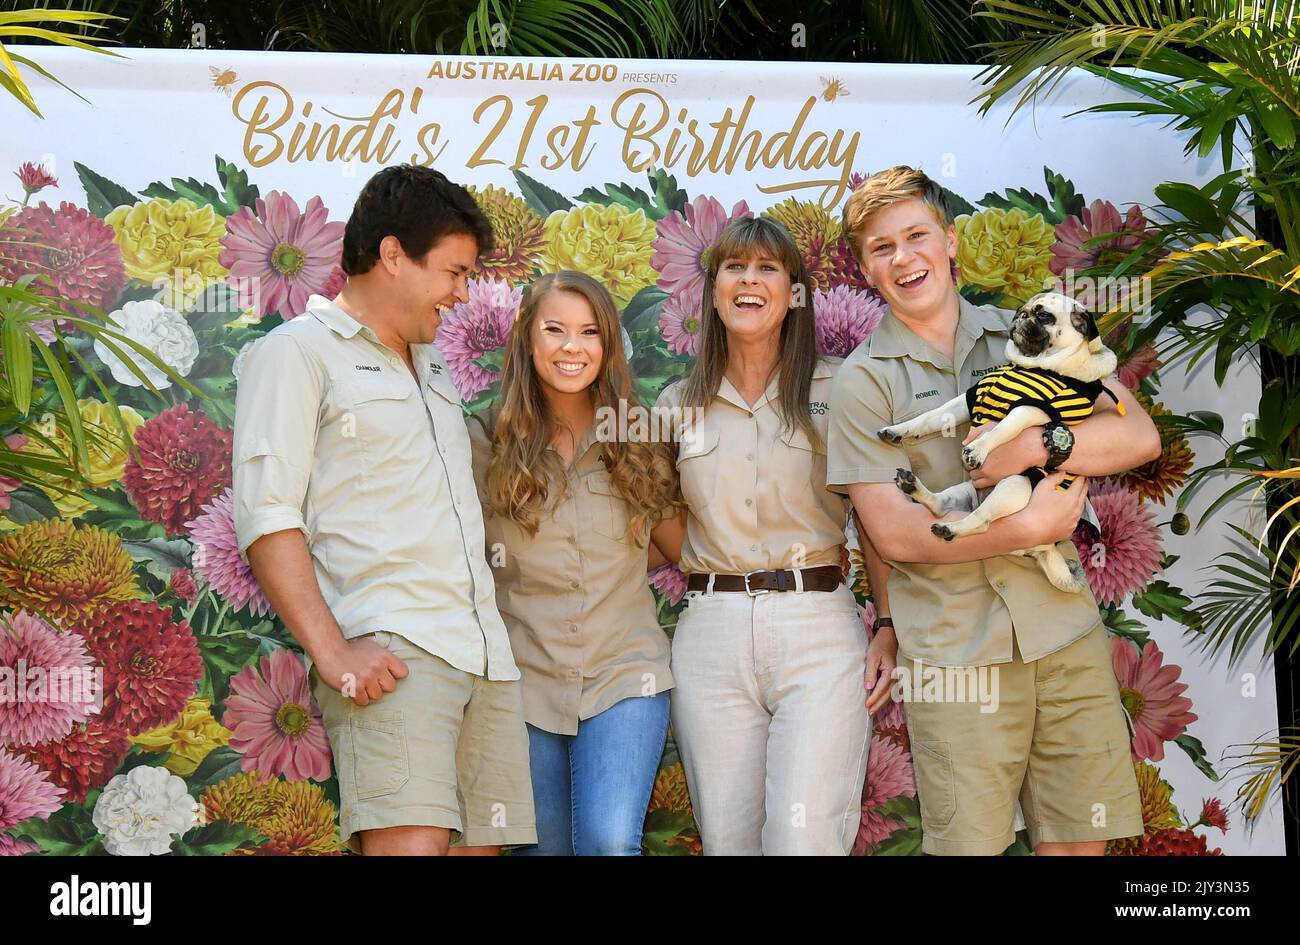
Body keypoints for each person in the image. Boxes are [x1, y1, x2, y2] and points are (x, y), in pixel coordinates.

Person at [827, 164, 1159, 855]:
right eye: (881, 247)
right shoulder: (860, 382)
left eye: (916, 235)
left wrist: (1043, 441)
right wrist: (1030, 525)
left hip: (1061, 632)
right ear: (864, 267)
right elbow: (895, 535)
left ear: (950, 241)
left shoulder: (1035, 330)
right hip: (956, 654)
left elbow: (1138, 434)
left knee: (1078, 843)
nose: (904, 257)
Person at [233, 164, 536, 856]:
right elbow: (266, 514)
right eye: (454, 272)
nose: (462, 294)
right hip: (397, 658)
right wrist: (334, 651)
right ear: (393, 254)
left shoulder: (433, 365)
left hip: (484, 659)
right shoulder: (296, 354)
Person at [653, 215, 891, 855]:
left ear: (795, 292)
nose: (749, 281)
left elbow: (874, 516)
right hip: (711, 633)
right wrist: (715, 570)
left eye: (767, 269)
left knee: (802, 837)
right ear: (713, 288)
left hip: (817, 626)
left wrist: (888, 623)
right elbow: (658, 513)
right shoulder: (677, 403)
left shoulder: (843, 389)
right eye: (734, 268)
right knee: (728, 840)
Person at [468, 270, 681, 855]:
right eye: (554, 330)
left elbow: (681, 547)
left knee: (610, 843)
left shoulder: (638, 436)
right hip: (523, 681)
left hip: (624, 674)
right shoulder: (482, 439)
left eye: (589, 332)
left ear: (608, 345)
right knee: (544, 851)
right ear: (526, 341)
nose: (571, 346)